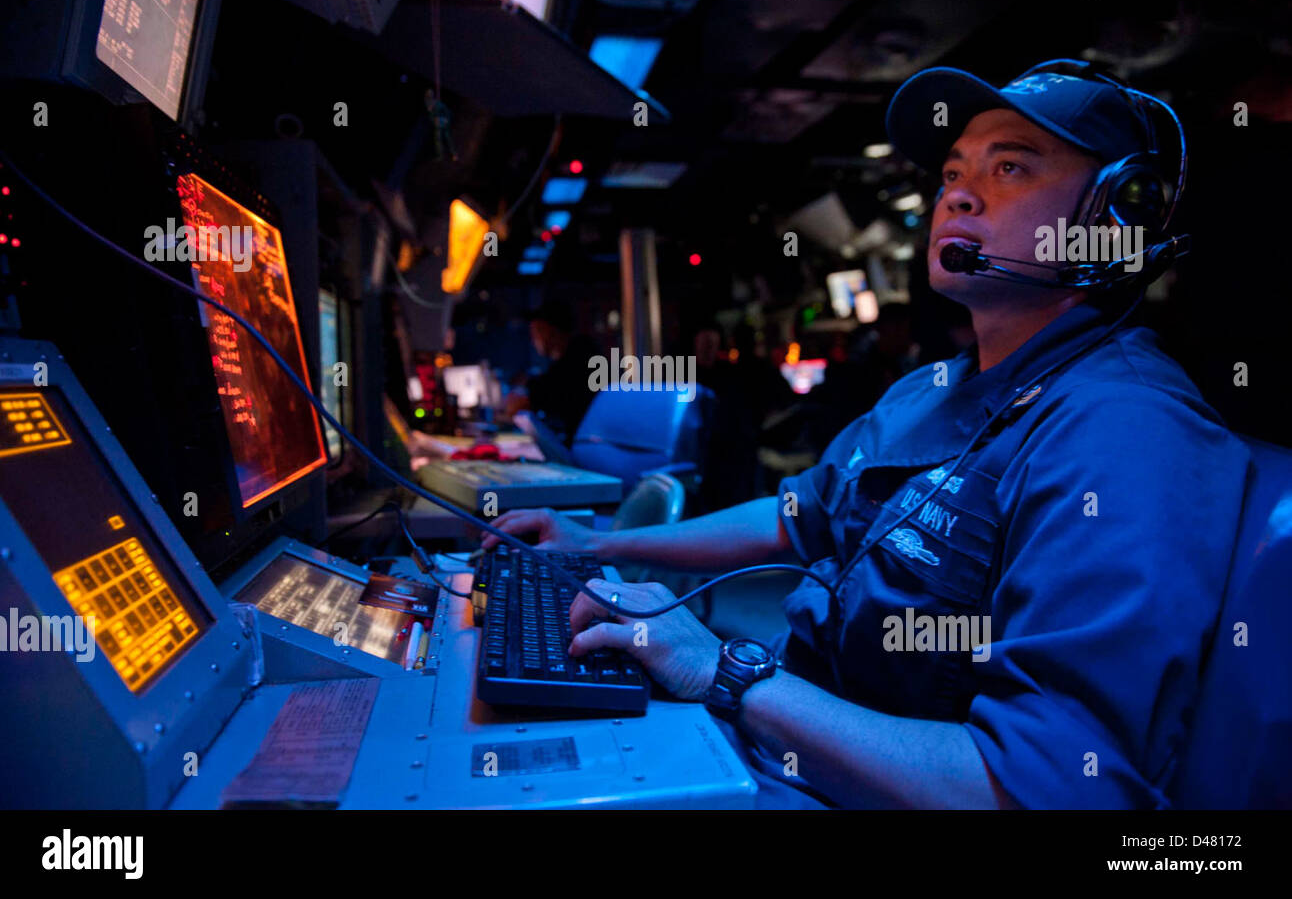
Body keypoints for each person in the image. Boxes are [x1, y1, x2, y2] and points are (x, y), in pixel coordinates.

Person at [482, 62, 1251, 808]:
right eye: (952, 173)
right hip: (787, 743)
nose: (959, 197)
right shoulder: (930, 390)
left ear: (1116, 220)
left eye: (1010, 168)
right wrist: (596, 547)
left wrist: (725, 672)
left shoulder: (1126, 434)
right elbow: (794, 517)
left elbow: (1042, 789)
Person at [501, 299, 600, 444]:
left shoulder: (577, 361)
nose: (533, 339)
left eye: (536, 331)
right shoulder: (574, 357)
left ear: (549, 331)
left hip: (582, 450)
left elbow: (538, 396)